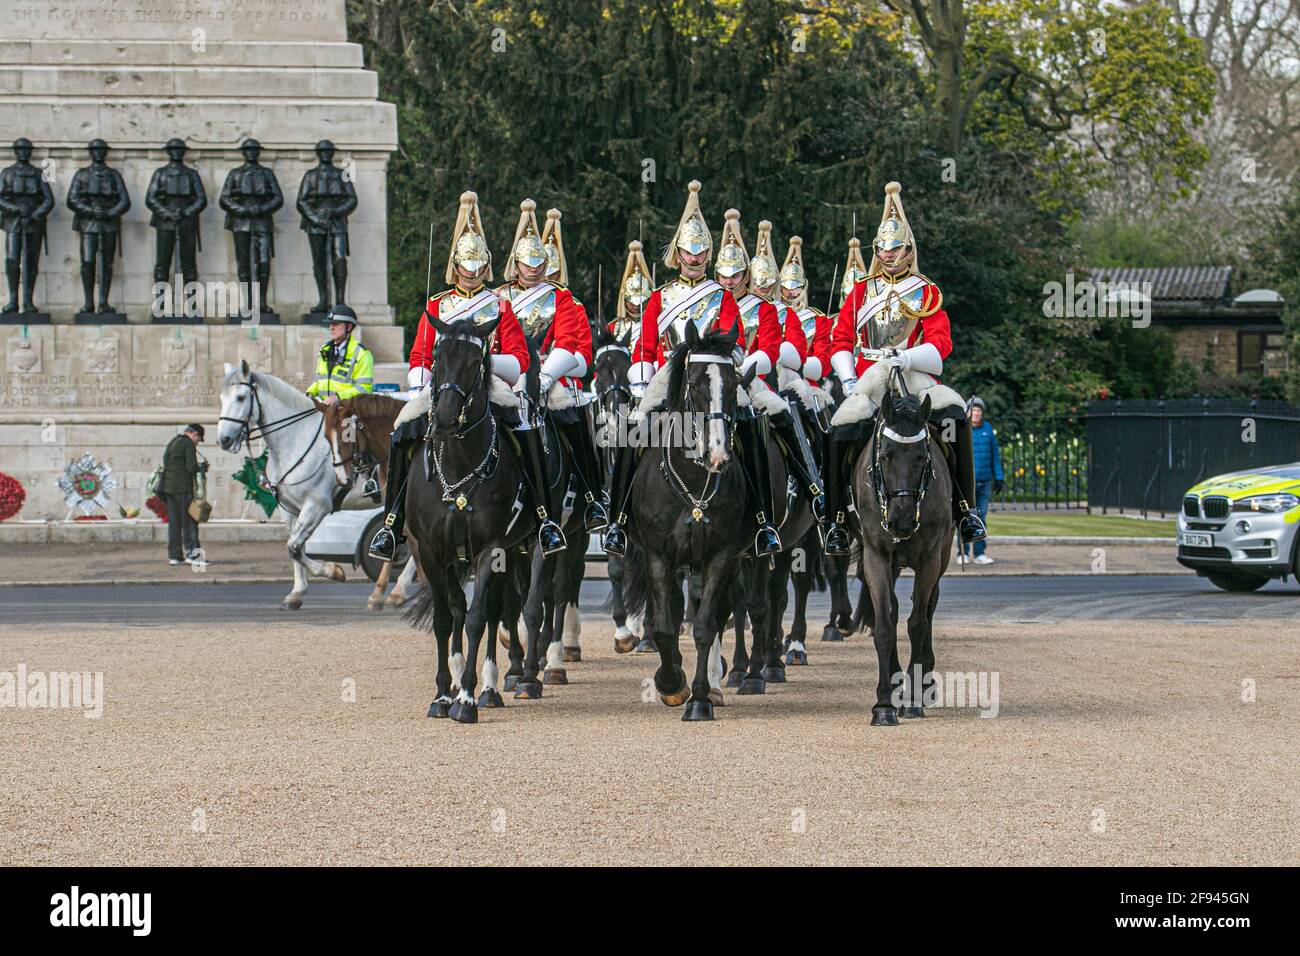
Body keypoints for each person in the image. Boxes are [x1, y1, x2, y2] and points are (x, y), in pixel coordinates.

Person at [368, 190, 559, 561]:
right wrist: (419, 380)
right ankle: (391, 524)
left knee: (526, 429)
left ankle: (543, 517)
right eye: (465, 269)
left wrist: (493, 367)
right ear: (455, 267)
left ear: (486, 269)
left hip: (487, 386)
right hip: (440, 387)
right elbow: (421, 353)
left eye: (477, 269)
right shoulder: (437, 304)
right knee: (401, 430)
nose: (471, 276)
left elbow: (520, 357)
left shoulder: (500, 304)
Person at [602, 182, 783, 557]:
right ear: (678, 254)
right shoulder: (658, 298)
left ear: (708, 254)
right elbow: (646, 346)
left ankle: (764, 520)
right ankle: (617, 520)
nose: (695, 258)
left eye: (701, 252)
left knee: (751, 422)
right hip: (669, 373)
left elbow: (732, 339)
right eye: (689, 252)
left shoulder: (721, 296)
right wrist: (640, 382)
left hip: (713, 370)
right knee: (631, 429)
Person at [822, 181, 987, 556]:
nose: (889, 254)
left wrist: (908, 358)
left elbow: (941, 344)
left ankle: (965, 510)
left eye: (896, 248)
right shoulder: (861, 291)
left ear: (908, 250)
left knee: (957, 418)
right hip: (869, 381)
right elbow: (841, 339)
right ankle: (835, 521)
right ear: (876, 250)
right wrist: (848, 378)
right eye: (883, 248)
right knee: (837, 432)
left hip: (915, 380)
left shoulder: (926, 291)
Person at [498, 201, 606, 532]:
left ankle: (591, 496)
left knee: (570, 417)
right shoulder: (499, 296)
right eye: (527, 265)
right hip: (509, 373)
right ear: (515, 265)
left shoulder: (561, 299)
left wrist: (546, 375)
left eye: (538, 264)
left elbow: (569, 342)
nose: (533, 270)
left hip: (551, 374)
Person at [959, 396, 1004, 565]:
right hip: (967, 482)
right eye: (973, 410)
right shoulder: (962, 429)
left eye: (979, 411)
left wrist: (999, 477)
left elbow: (995, 456)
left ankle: (979, 553)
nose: (976, 413)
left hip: (984, 482)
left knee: (981, 517)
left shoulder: (988, 430)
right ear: (968, 412)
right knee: (965, 518)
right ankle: (962, 553)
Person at [160, 424, 208, 567]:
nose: (197, 442)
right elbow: (191, 467)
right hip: (183, 488)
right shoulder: (188, 444)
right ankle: (194, 556)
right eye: (198, 439)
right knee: (190, 523)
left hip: (169, 489)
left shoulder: (173, 442)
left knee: (174, 524)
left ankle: (175, 556)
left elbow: (166, 461)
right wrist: (202, 467)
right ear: (194, 434)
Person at [306, 304, 373, 404]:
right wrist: (310, 392)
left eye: (336, 324)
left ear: (349, 327)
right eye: (330, 324)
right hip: (326, 410)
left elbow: (364, 389)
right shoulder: (324, 349)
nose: (331, 328)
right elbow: (319, 381)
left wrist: (338, 397)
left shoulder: (362, 354)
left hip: (349, 411)